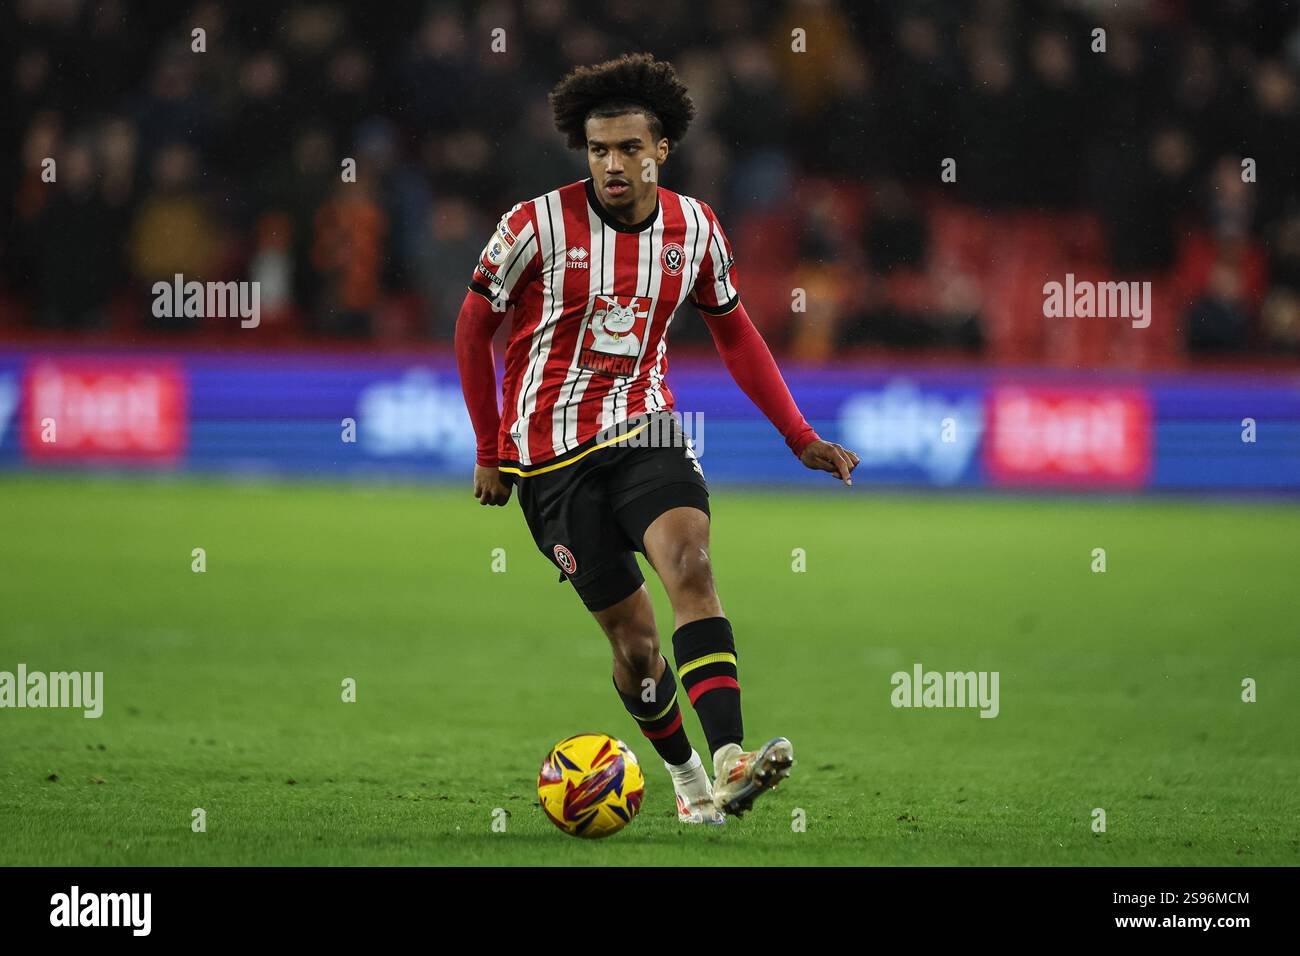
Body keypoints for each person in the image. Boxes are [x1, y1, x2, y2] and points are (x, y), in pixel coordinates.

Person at [455, 53, 859, 823]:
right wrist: (488, 447)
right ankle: (685, 783)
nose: (613, 164)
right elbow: (473, 331)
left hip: (648, 428)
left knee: (693, 569)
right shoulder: (531, 225)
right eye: (599, 149)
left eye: (629, 148)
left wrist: (797, 434)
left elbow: (736, 334)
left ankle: (732, 757)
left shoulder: (695, 227)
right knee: (637, 644)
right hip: (549, 459)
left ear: (661, 148)